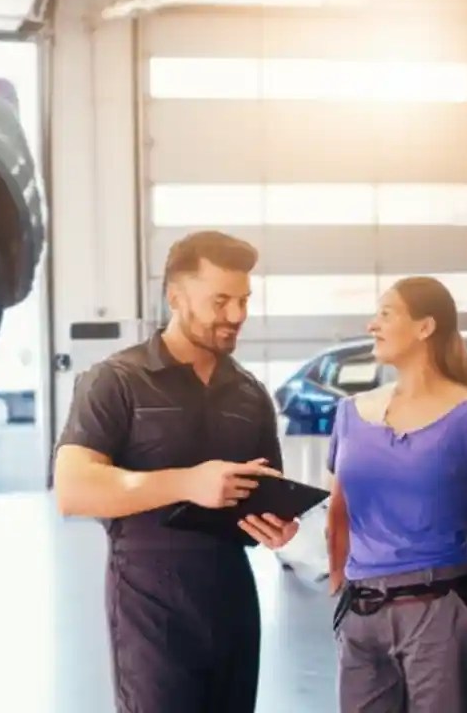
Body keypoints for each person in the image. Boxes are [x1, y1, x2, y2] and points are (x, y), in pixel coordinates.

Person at [52, 229, 301, 713]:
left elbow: (262, 496)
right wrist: (189, 482)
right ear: (175, 297)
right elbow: (73, 488)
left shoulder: (250, 395)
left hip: (233, 601)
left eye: (245, 300)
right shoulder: (115, 381)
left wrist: (276, 522)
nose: (237, 315)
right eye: (221, 300)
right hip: (150, 607)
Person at [327, 276, 467, 713]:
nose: (372, 325)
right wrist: (340, 591)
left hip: (438, 609)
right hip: (362, 612)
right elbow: (338, 514)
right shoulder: (350, 413)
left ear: (425, 327)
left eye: (386, 314)